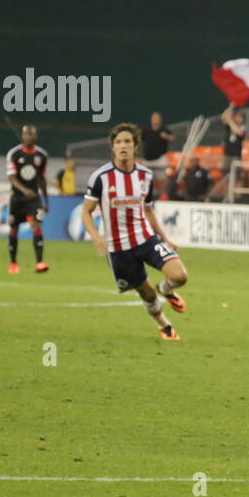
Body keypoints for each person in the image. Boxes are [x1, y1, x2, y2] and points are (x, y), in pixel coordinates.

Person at [81, 123, 189, 341]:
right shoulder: (100, 177)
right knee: (146, 294)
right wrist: (96, 236)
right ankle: (165, 327)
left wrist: (165, 238)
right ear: (112, 147)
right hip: (119, 249)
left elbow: (148, 210)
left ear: (135, 146)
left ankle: (166, 289)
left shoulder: (145, 176)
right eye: (118, 142)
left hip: (145, 239)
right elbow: (86, 212)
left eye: (127, 141)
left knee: (180, 276)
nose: (123, 146)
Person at [5, 125, 51, 274]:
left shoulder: (42, 155)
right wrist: (24, 190)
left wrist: (46, 200)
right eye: (26, 134)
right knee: (14, 228)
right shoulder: (14, 154)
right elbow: (11, 177)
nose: (29, 137)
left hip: (34, 199)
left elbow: (42, 179)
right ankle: (13, 263)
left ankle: (40, 263)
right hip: (17, 198)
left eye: (32, 135)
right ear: (22, 136)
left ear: (35, 137)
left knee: (36, 225)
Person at [141, 112, 174, 197]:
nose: (155, 120)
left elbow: (173, 137)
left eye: (157, 118)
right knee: (146, 180)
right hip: (147, 160)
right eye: (153, 118)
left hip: (160, 159)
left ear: (160, 120)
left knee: (162, 179)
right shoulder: (146, 129)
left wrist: (166, 136)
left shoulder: (164, 129)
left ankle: (163, 196)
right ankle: (148, 196)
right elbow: (140, 139)